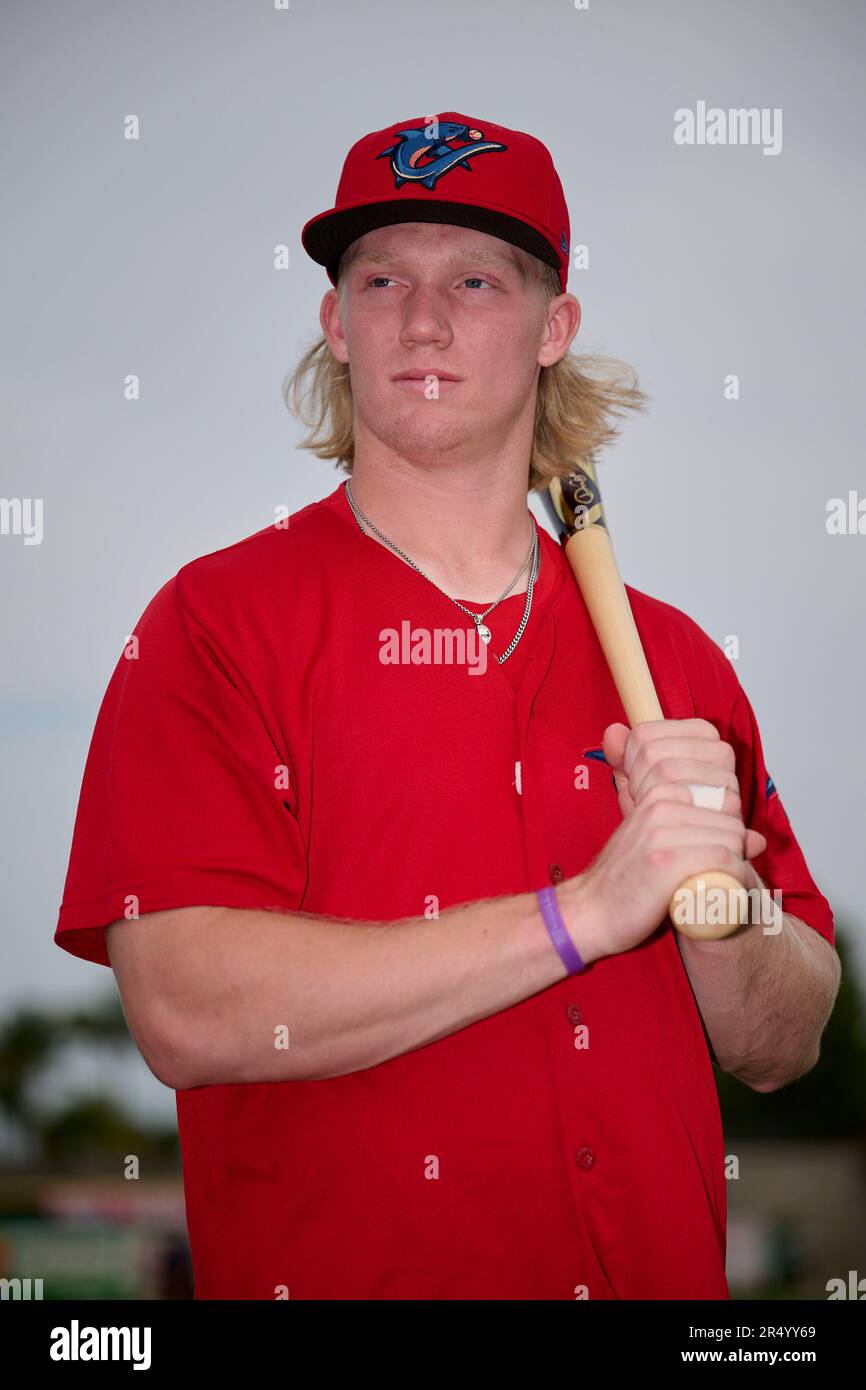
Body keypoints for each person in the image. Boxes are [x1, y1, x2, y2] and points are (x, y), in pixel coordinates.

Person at [54, 111, 840, 1300]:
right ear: (334, 321)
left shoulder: (673, 660)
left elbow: (783, 1041)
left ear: (552, 327)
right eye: (382, 279)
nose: (422, 320)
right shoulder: (210, 625)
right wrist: (585, 909)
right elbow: (186, 1004)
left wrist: (717, 903)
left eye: (474, 279)